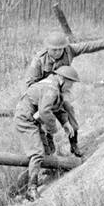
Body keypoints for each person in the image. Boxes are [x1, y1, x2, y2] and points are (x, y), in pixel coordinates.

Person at [13, 65, 80, 198]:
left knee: (48, 151)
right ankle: (31, 189)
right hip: (25, 119)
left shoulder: (53, 86)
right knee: (37, 153)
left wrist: (65, 123)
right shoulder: (51, 89)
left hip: (33, 119)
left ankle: (26, 181)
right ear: (62, 79)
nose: (71, 87)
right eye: (70, 83)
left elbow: (56, 108)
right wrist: (52, 130)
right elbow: (45, 111)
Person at [23, 29, 104, 88]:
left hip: (63, 86)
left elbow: (92, 45)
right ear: (48, 48)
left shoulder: (70, 50)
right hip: (44, 90)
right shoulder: (39, 60)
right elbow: (30, 84)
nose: (58, 52)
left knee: (78, 90)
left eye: (60, 49)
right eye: (54, 50)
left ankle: (98, 85)